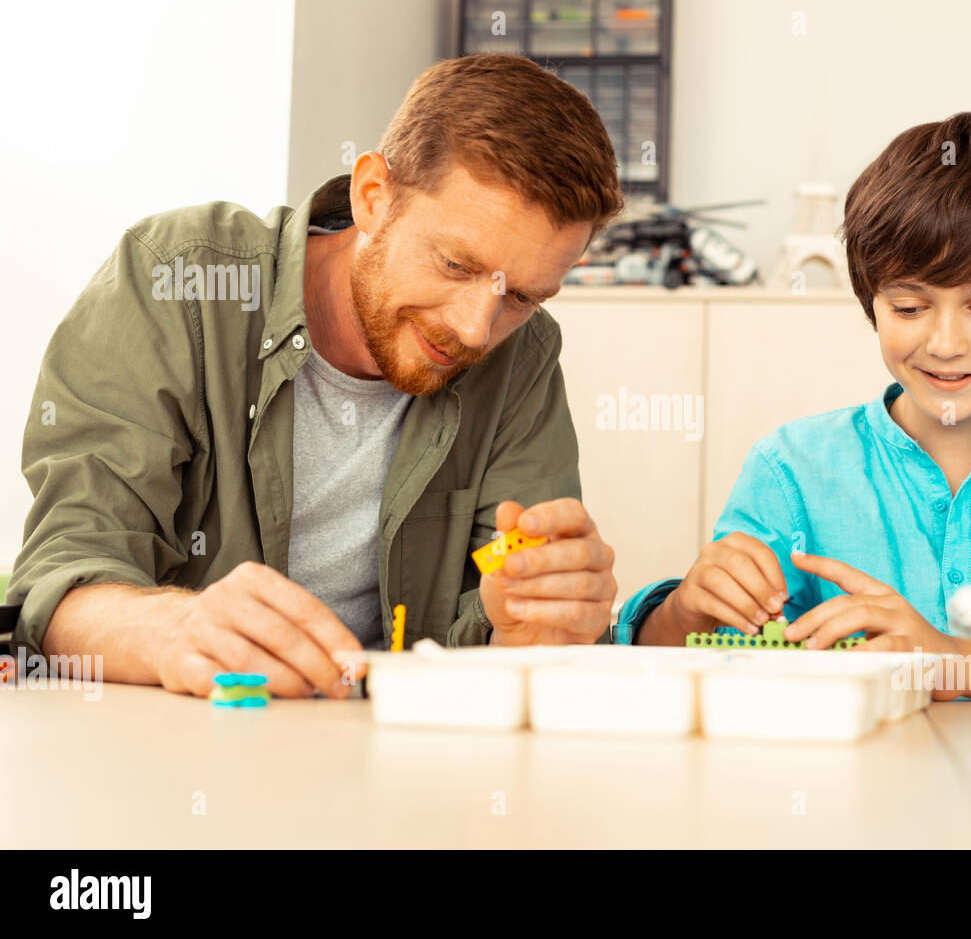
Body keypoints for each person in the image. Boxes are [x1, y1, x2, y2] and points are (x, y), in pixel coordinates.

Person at [7, 54, 623, 698]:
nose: (475, 329)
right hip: (183, 758)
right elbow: (63, 586)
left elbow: (500, 601)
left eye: (522, 297)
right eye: (454, 264)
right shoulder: (179, 280)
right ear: (372, 198)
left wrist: (524, 630)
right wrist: (173, 629)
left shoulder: (521, 357)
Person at [618, 112, 971, 701]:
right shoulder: (791, 466)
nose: (946, 344)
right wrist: (686, 613)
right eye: (908, 308)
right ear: (871, 302)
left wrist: (943, 661)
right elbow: (688, 656)